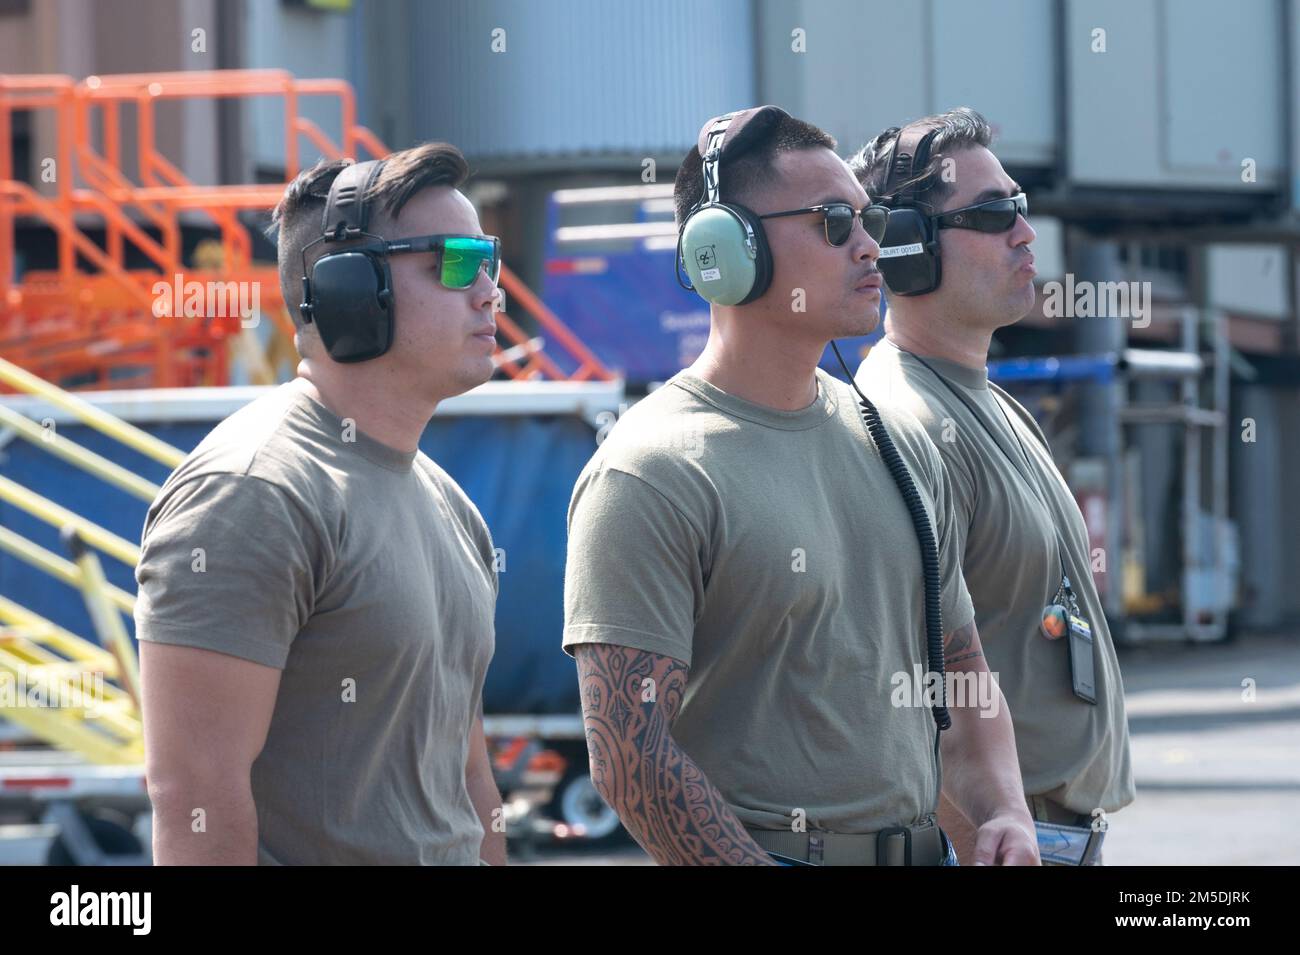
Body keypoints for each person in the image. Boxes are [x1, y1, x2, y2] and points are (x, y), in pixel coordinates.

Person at [563, 106, 1039, 866]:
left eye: (869, 219)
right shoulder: (649, 470)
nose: (869, 246)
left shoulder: (900, 442)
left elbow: (959, 663)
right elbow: (631, 757)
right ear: (724, 251)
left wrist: (1004, 809)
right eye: (833, 222)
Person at [135, 142, 506, 865]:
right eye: (457, 262)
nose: (490, 289)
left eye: (489, 257)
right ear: (347, 291)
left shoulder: (450, 503)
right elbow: (196, 797)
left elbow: (465, 778)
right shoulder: (251, 493)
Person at [850, 108, 1134, 865]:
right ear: (907, 247)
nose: (1025, 232)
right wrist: (985, 839)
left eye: (1022, 207)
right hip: (993, 845)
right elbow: (897, 687)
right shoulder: (902, 421)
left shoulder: (994, 403)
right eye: (992, 213)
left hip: (1048, 837)